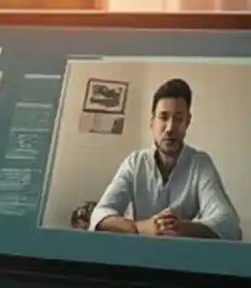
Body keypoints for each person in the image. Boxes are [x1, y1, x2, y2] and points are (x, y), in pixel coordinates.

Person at [88, 78, 242, 241]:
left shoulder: (200, 164)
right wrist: (141, 227)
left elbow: (229, 224)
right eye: (163, 117)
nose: (170, 128)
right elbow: (99, 215)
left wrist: (179, 227)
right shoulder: (135, 163)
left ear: (188, 122)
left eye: (178, 118)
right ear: (152, 121)